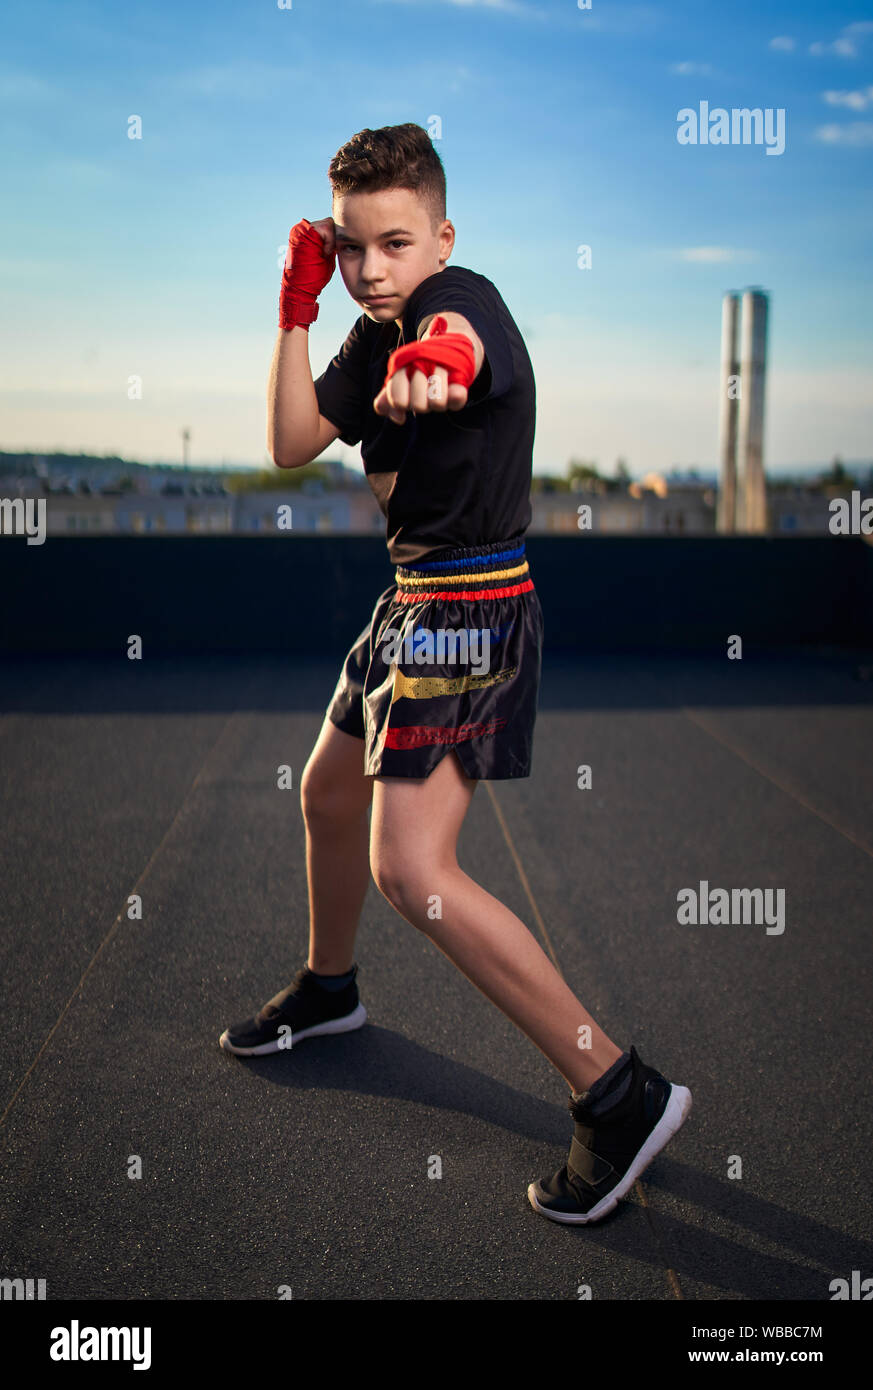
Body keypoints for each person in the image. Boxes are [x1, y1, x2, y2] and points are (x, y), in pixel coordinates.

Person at [220, 123, 691, 1224]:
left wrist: (441, 366)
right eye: (349, 247)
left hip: (470, 610)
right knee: (325, 793)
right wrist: (294, 315)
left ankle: (615, 1089)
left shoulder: (460, 301)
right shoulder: (366, 329)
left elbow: (463, 342)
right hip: (409, 603)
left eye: (393, 243)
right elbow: (293, 437)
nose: (371, 268)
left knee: (415, 872)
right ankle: (330, 988)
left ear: (440, 234)